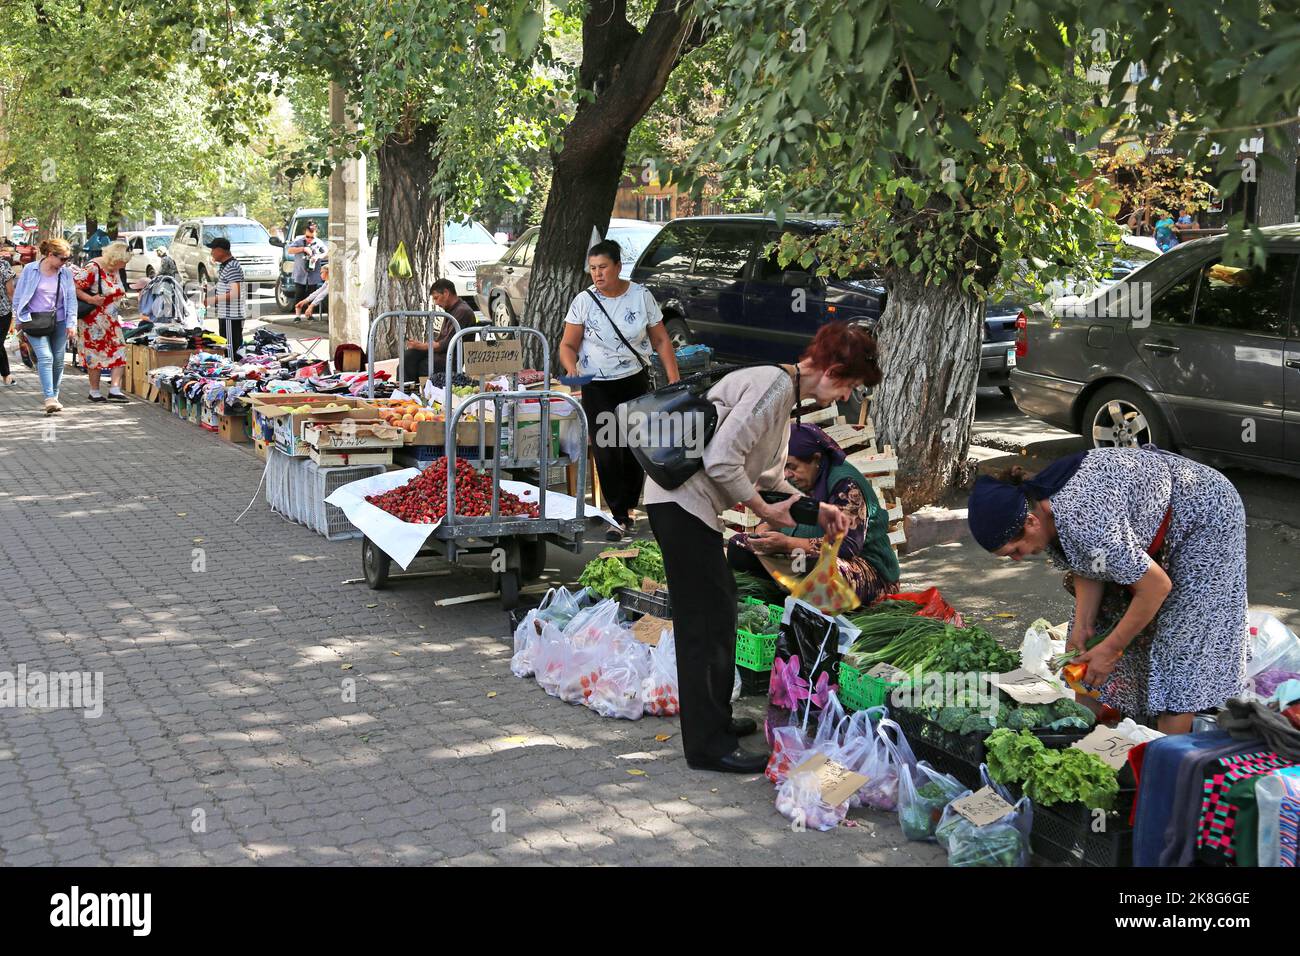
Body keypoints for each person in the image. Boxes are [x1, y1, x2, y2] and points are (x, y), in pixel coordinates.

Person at [643, 322, 878, 773]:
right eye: (848, 385)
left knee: (720, 613)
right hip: (680, 504)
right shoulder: (772, 385)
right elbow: (721, 460)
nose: (843, 397)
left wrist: (817, 508)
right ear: (831, 369)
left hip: (692, 508)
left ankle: (716, 721)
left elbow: (769, 479)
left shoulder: (783, 395)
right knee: (703, 624)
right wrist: (767, 513)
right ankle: (707, 746)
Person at [966, 446, 1249, 736]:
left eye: (1015, 550)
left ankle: (1168, 757)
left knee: (1181, 640)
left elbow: (1155, 587)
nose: (1017, 558)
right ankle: (1087, 737)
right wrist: (1083, 627)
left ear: (1030, 522)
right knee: (1091, 636)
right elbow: (1090, 565)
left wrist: (1112, 650)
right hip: (1146, 522)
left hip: (1204, 513)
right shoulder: (1044, 509)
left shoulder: (1083, 518)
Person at [560, 239, 680, 542]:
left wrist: (673, 378)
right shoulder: (584, 301)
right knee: (607, 449)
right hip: (597, 386)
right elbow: (568, 344)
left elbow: (661, 340)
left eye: (603, 268)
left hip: (634, 381)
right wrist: (571, 366)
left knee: (633, 448)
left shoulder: (641, 297)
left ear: (618, 267)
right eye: (592, 269)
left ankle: (629, 505)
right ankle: (619, 515)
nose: (597, 275)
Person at [728, 422, 901, 607]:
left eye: (792, 466)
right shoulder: (795, 481)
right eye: (784, 467)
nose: (787, 474)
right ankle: (778, 599)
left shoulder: (846, 485)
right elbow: (770, 518)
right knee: (739, 546)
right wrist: (762, 536)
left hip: (865, 568)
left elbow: (846, 547)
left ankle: (802, 603)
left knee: (823, 569)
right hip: (802, 557)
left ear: (816, 459)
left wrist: (786, 544)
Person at [11, 238, 79, 413]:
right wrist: (17, 319)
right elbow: (19, 295)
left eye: (67, 259)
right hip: (33, 320)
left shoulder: (65, 273)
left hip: (60, 321)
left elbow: (71, 299)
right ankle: (49, 397)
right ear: (50, 255)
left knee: (57, 361)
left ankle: (54, 397)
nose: (65, 263)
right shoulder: (30, 269)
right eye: (62, 259)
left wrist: (71, 323)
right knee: (46, 357)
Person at [74, 241, 130, 402]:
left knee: (119, 350)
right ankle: (94, 391)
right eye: (123, 261)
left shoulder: (117, 269)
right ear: (115, 258)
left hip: (111, 320)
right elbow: (74, 286)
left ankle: (115, 389)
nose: (125, 264)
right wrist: (91, 299)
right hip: (93, 321)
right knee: (94, 354)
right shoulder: (94, 267)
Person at [403, 278, 477, 382]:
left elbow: (445, 344)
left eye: (436, 298)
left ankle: (411, 393)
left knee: (416, 365)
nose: (436, 303)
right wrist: (419, 346)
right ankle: (405, 393)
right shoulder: (451, 310)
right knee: (409, 356)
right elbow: (439, 341)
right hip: (441, 355)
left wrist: (420, 346)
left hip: (450, 359)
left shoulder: (462, 312)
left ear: (446, 293)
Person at [204, 238, 246, 360]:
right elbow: (226, 287)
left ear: (220, 250)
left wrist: (213, 300)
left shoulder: (232, 266)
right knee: (228, 348)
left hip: (231, 316)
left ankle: (235, 372)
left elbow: (235, 293)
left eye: (213, 249)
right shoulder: (225, 266)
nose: (211, 252)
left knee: (230, 350)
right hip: (226, 315)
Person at [286, 220, 327, 307]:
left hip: (313, 274)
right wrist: (303, 249)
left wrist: (317, 257)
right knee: (299, 294)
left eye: (312, 237)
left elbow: (326, 253)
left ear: (316, 235)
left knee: (312, 295)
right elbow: (289, 250)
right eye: (307, 237)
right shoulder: (298, 241)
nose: (309, 239)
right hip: (300, 273)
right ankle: (297, 317)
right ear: (305, 233)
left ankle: (309, 315)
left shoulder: (319, 242)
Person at [0, 240, 17, 385]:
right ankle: (6, 375)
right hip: (3, 311)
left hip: (3, 311)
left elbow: (11, 292)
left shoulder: (4, 265)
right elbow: (10, 291)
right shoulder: (3, 265)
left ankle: (6, 375)